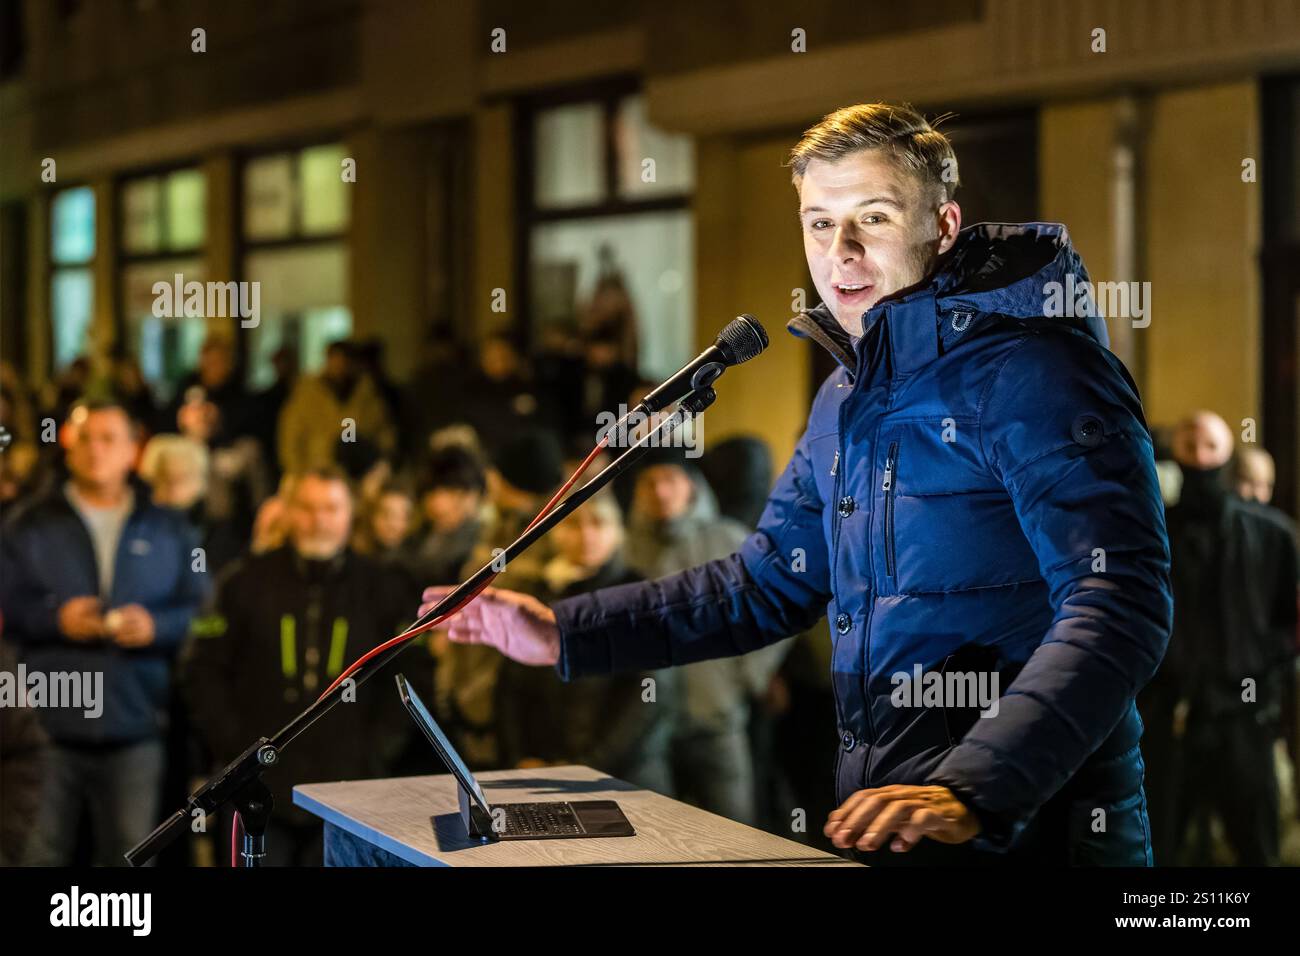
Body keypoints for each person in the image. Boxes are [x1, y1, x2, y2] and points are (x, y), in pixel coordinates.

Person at [422, 102, 1173, 866]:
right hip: (893, 827)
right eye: (819, 223)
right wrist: (568, 631)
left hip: (1039, 831)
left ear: (942, 228)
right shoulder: (845, 398)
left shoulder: (1041, 373)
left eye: (872, 218)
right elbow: (767, 584)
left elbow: (1119, 600)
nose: (839, 250)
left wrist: (974, 787)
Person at [0, 400, 206, 865]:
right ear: (68, 447)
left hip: (136, 723)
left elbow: (202, 611)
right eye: (85, 438)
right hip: (46, 727)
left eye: (109, 438)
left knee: (131, 854)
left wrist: (158, 626)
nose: (95, 449)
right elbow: (7, 606)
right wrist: (55, 619)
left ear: (134, 450)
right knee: (37, 852)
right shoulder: (28, 524)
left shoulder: (168, 527)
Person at [184, 467, 417, 866]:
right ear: (288, 510)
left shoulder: (383, 587)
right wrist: (236, 747)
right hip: (259, 791)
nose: (319, 520)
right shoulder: (243, 581)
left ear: (350, 514)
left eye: (331, 508)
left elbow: (411, 677)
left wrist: (374, 752)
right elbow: (203, 671)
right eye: (307, 508)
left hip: (351, 790)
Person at [1139, 411, 1299, 865]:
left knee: (1256, 846)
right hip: (1169, 718)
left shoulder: (1271, 535)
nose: (1200, 458)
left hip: (1243, 719)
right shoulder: (1151, 535)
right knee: (1159, 847)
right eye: (1190, 446)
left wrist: (1258, 674)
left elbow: (1291, 623)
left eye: (1210, 447)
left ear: (1226, 455)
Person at [623, 448, 789, 824]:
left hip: (716, 718)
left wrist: (749, 674)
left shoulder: (729, 540)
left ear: (692, 486)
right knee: (657, 841)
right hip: (645, 735)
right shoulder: (626, 547)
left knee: (736, 835)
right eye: (650, 483)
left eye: (670, 480)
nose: (661, 491)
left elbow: (782, 606)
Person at [496, 493, 678, 794]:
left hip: (624, 778)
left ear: (618, 532)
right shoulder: (537, 593)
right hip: (541, 772)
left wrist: (583, 767)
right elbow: (509, 687)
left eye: (599, 523)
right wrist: (518, 757)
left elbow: (647, 699)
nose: (586, 535)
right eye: (573, 524)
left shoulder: (639, 595)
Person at [277, 340, 396, 475]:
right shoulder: (307, 395)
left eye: (345, 360)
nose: (340, 366)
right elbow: (291, 436)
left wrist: (383, 464)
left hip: (360, 476)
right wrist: (297, 473)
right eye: (336, 359)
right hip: (318, 472)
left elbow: (384, 433)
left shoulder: (366, 394)